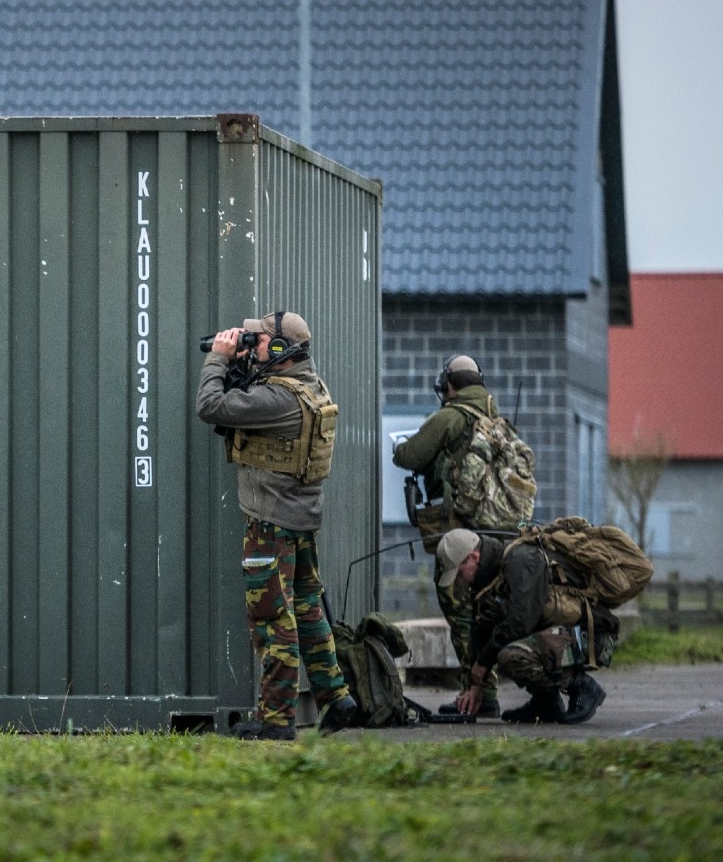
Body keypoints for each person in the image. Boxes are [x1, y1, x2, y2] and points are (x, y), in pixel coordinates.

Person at [195, 310, 356, 740]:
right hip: (298, 519)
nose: (253, 344)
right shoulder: (309, 386)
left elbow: (210, 407)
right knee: (306, 609)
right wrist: (245, 360)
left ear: (283, 351)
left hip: (271, 522)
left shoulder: (278, 400)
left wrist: (217, 359)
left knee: (271, 618)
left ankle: (277, 719)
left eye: (261, 341)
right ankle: (335, 699)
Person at [391, 353, 507, 718]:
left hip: (461, 533)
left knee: (458, 609)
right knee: (485, 610)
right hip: (494, 535)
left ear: (451, 385)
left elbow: (409, 455)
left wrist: (401, 448)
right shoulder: (495, 420)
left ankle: (478, 694)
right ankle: (483, 691)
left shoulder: (451, 416)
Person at [434, 527, 606, 724]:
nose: (459, 580)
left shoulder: (521, 560)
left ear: (473, 557)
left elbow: (519, 623)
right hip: (560, 637)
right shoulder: (487, 575)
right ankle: (546, 702)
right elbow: (481, 627)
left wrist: (483, 664)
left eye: (458, 573)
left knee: (510, 655)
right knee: (503, 646)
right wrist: (476, 683)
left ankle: (582, 686)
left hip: (588, 637)